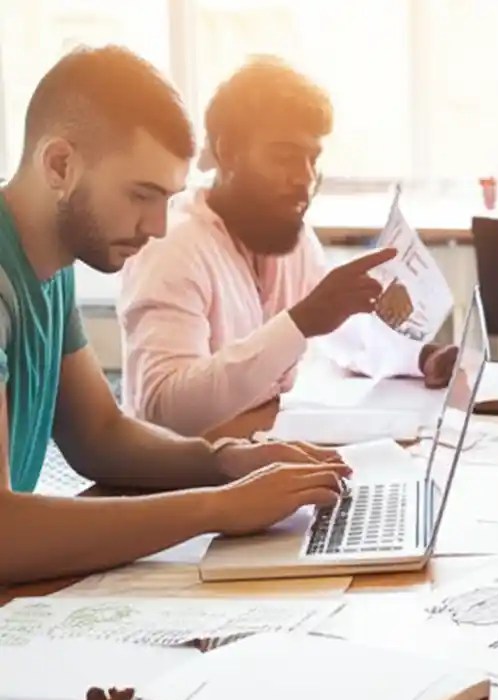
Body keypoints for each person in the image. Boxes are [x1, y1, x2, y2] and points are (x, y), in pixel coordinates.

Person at [0, 46, 346, 585]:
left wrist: (225, 461)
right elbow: (5, 532)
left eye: (168, 198)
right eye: (141, 195)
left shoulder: (52, 267)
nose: (159, 227)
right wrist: (218, 507)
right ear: (59, 165)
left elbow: (98, 434)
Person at [119, 57, 458, 437]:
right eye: (284, 157)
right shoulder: (174, 247)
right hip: (179, 479)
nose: (305, 178)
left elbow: (343, 332)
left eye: (312, 159)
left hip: (257, 448)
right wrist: (300, 322)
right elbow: (164, 410)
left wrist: (422, 357)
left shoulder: (286, 237)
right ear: (228, 153)